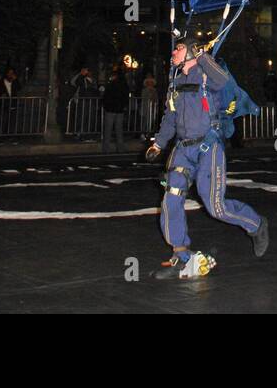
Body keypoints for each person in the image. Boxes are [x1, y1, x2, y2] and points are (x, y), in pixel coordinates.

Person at [144, 40, 268, 279]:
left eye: (178, 48)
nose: (173, 52)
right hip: (182, 149)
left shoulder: (207, 75)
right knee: (171, 198)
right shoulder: (176, 83)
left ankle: (256, 224)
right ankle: (181, 256)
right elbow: (169, 117)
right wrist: (158, 143)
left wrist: (202, 56)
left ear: (190, 51)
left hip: (208, 147)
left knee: (215, 206)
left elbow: (222, 80)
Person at [101, 64, 128, 153]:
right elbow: (125, 96)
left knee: (108, 130)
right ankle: (120, 148)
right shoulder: (123, 84)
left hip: (110, 109)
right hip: (119, 109)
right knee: (119, 130)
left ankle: (106, 149)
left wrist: (105, 105)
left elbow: (106, 96)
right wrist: (124, 106)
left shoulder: (111, 84)